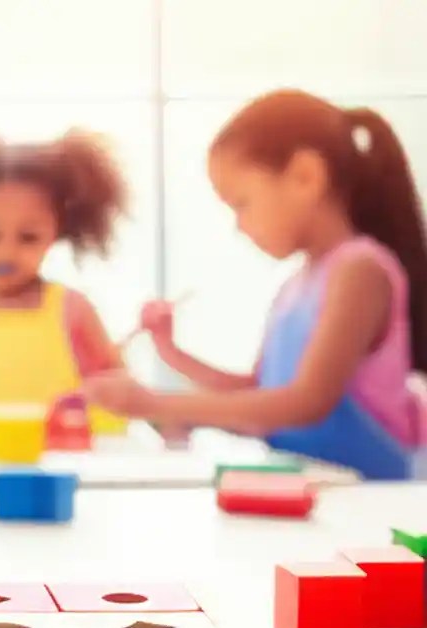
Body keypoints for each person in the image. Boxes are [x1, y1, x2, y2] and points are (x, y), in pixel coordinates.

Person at [87, 89, 427, 480]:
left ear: (305, 177)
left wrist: (157, 404)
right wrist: (170, 351)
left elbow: (306, 402)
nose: (239, 226)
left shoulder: (359, 271)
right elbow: (257, 389)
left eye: (242, 203)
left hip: (375, 495)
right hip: (318, 482)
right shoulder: (296, 285)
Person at [0, 130, 129, 427]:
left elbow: (123, 395)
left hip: (56, 467)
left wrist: (103, 390)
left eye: (28, 238)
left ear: (55, 234)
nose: (6, 251)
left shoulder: (72, 309)